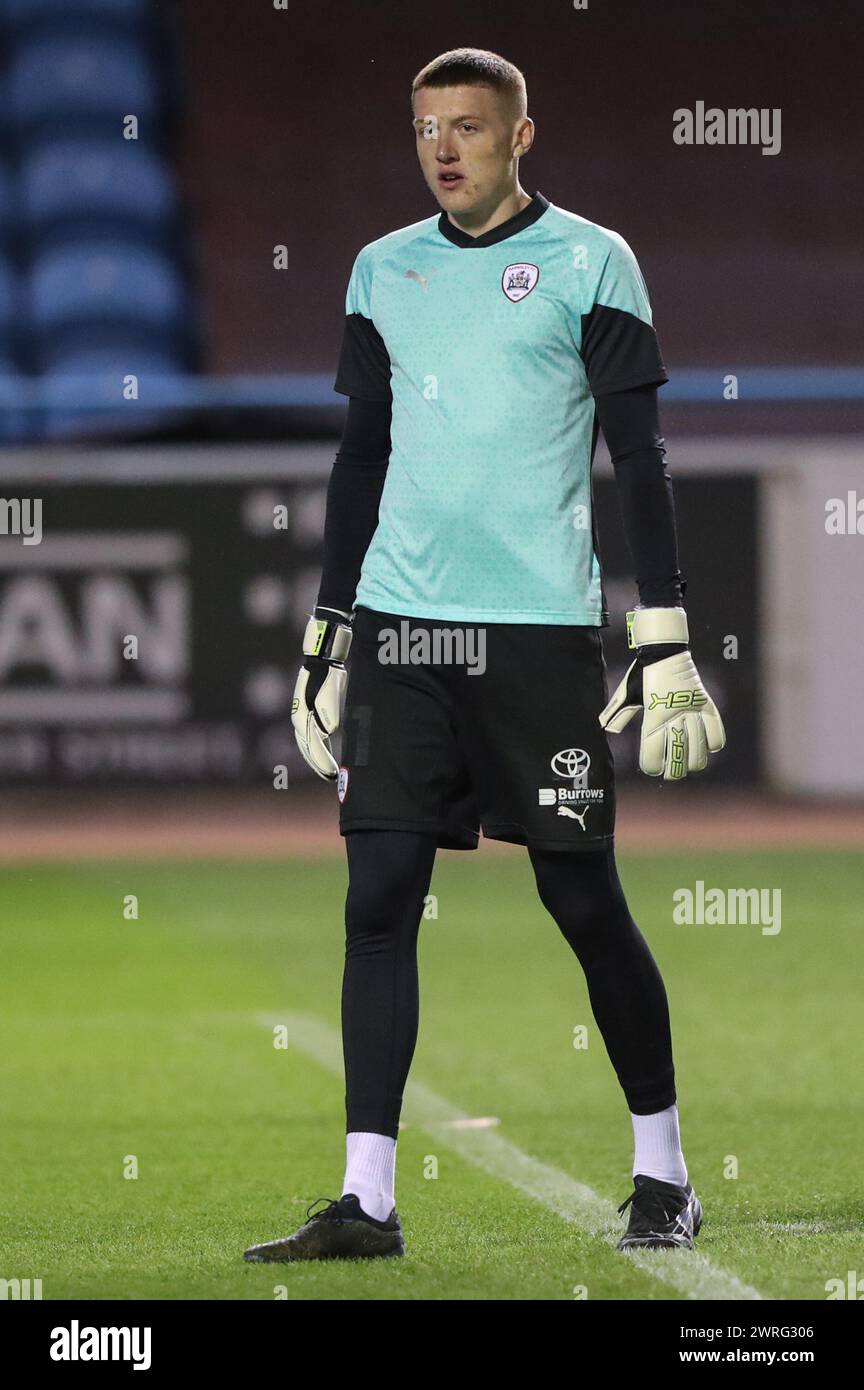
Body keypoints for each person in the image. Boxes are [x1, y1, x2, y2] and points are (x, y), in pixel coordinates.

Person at [244, 46, 724, 1265]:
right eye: (424, 129)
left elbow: (641, 455)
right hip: (405, 632)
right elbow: (362, 459)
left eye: (466, 126)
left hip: (537, 637)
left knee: (582, 897)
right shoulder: (379, 271)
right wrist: (331, 623)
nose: (443, 148)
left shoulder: (592, 260)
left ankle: (664, 1170)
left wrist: (661, 628)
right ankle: (368, 1200)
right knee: (377, 899)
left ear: (521, 136)